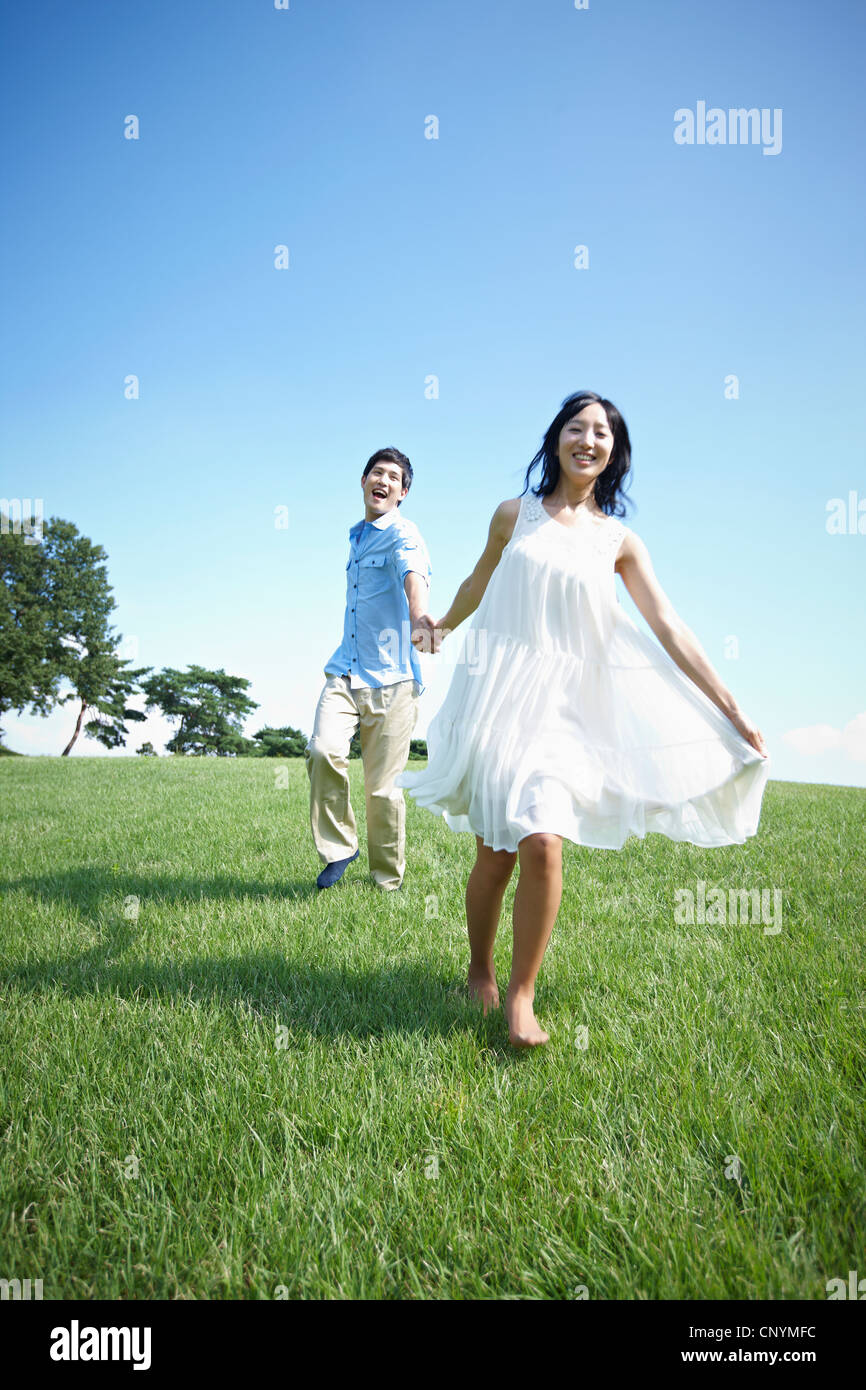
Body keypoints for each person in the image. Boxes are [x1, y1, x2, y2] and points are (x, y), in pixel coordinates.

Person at [399, 392, 770, 1047]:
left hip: (573, 711)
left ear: (613, 453)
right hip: (502, 697)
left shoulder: (619, 541)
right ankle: (479, 970)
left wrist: (732, 708)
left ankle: (520, 995)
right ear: (557, 439)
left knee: (543, 840)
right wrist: (442, 628)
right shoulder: (513, 516)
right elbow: (477, 583)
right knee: (496, 851)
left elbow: (668, 625)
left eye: (602, 433)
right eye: (577, 428)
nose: (588, 440)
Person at [306, 447, 434, 891]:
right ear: (363, 482)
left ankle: (386, 880)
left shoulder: (404, 533)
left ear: (402, 493)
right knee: (324, 750)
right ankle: (340, 849)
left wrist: (420, 619)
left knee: (382, 790)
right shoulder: (356, 538)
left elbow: (412, 572)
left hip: (393, 680)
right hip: (346, 670)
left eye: (393, 477)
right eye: (376, 472)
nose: (382, 480)